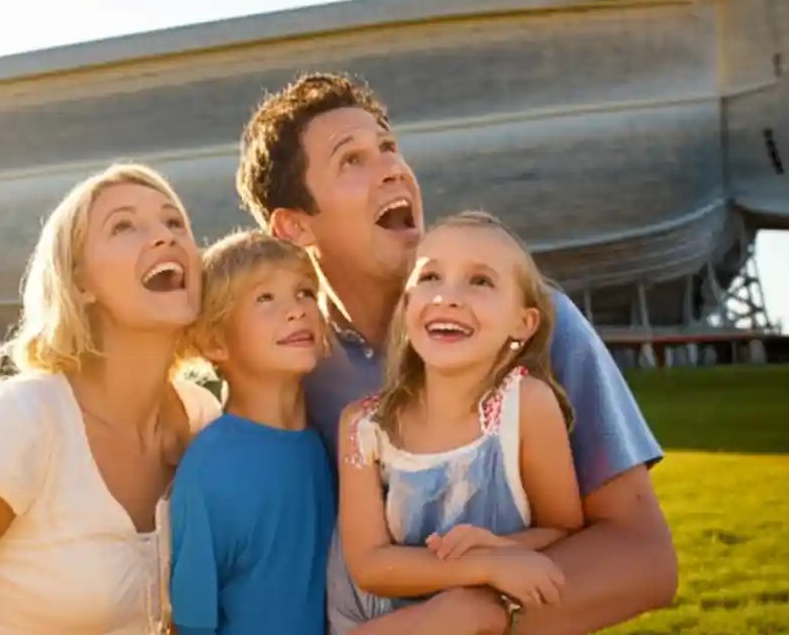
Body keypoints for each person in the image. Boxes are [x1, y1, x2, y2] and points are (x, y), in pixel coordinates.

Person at [235, 73, 677, 633]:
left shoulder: (538, 325)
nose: (393, 168)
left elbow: (645, 558)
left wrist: (475, 611)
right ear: (294, 225)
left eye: (389, 147)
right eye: (352, 160)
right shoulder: (292, 364)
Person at [0, 163, 222, 635]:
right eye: (124, 226)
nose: (164, 237)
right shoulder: (25, 423)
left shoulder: (202, 419)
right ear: (81, 283)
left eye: (175, 223)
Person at [336, 210, 585, 633]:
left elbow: (565, 529)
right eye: (429, 278)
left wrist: (505, 548)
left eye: (481, 281)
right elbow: (370, 565)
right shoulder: (363, 425)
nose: (447, 297)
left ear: (523, 323)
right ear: (407, 306)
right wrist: (484, 565)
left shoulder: (526, 406)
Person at [167, 231, 335, 634]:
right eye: (265, 299)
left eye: (305, 293)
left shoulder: (327, 439)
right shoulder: (210, 472)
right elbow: (191, 624)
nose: (296, 310)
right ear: (215, 342)